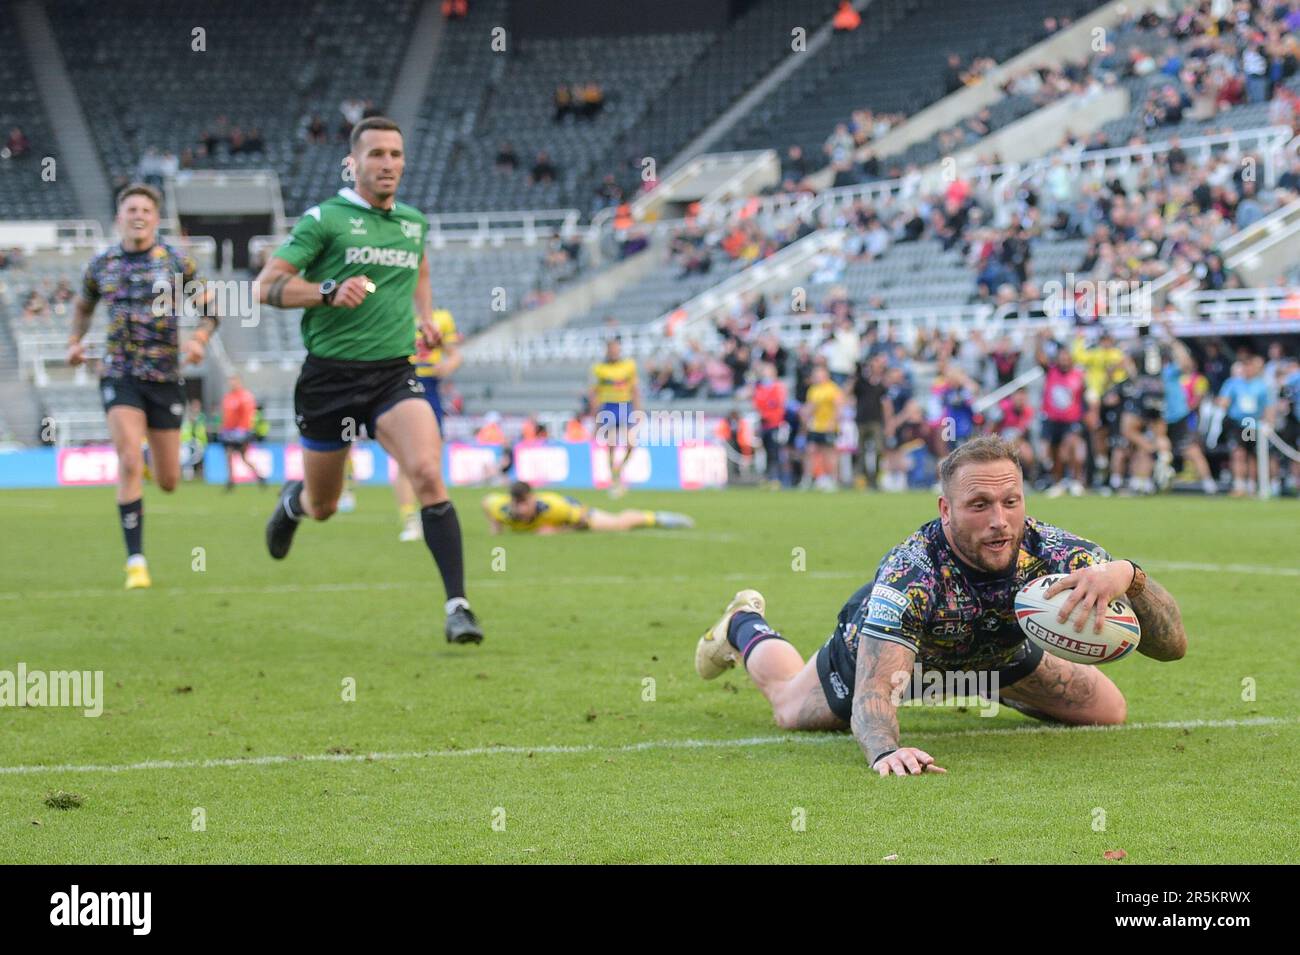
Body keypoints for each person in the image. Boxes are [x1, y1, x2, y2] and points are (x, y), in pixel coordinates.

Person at [692, 436, 1188, 776]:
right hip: (901, 660)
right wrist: (887, 750)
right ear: (945, 510)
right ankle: (744, 623)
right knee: (787, 706)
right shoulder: (911, 573)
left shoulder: (1060, 554)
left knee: (1109, 711)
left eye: (1011, 502)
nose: (1000, 521)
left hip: (995, 659)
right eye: (979, 505)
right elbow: (875, 693)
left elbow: (1173, 650)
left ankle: (986, 687)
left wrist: (1130, 576)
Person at [255, 116, 482, 644]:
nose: (387, 164)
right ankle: (295, 504)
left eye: (396, 154)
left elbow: (419, 270)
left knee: (427, 471)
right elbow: (266, 287)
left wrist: (425, 315)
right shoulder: (325, 220)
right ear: (352, 162)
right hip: (329, 380)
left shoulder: (412, 222)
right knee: (326, 506)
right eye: (376, 154)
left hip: (393, 375)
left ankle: (458, 607)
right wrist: (329, 289)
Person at [67, 184, 217, 590]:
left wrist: (199, 339)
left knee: (169, 481)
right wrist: (74, 341)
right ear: (119, 216)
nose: (138, 215)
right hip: (120, 374)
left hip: (165, 378)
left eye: (146, 210)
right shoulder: (101, 264)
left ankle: (151, 457)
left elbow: (210, 311)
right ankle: (136, 562)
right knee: (130, 461)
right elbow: (83, 306)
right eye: (131, 208)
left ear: (156, 217)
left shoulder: (177, 262)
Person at [397, 307, 461, 542]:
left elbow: (454, 354)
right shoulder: (394, 313)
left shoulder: (441, 317)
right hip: (401, 384)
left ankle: (435, 516)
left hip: (431, 388)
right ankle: (410, 519)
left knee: (433, 458)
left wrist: (447, 365)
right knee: (404, 460)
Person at [482, 481, 693, 534]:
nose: (520, 509)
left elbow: (581, 520)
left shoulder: (554, 508)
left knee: (617, 524)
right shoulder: (502, 510)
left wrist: (556, 530)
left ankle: (657, 517)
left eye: (524, 503)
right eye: (516, 504)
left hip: (575, 512)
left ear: (532, 498)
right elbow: (486, 501)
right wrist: (495, 528)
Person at [1036, 334, 1088, 497]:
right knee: (1053, 453)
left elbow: (1086, 397)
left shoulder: (1079, 375)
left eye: (1067, 357)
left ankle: (1076, 481)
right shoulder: (1051, 372)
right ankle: (1057, 482)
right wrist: (1041, 339)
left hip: (1071, 420)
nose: (1064, 360)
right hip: (1052, 420)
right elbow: (1040, 358)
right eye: (1062, 357)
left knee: (1070, 448)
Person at [1217, 352, 1275, 497]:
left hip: (1252, 424)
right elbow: (1223, 400)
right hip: (1236, 423)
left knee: (1251, 454)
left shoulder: (1261, 386)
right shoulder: (1233, 383)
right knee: (1238, 453)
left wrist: (1269, 423)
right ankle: (1239, 485)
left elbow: (1268, 407)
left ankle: (1251, 484)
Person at [589, 337, 640, 498]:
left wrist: (638, 410)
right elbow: (594, 393)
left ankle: (620, 469)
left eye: (616, 349)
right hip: (608, 407)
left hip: (625, 406)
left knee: (631, 444)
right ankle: (613, 478)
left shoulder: (629, 366)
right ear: (607, 350)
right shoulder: (599, 369)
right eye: (611, 349)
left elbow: (635, 389)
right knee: (611, 445)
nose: (613, 352)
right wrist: (595, 417)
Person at [219, 374, 266, 491]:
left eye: (234, 381)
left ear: (240, 382)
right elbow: (226, 416)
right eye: (230, 381)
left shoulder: (245, 397)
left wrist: (242, 430)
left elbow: (247, 415)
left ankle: (259, 476)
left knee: (243, 457)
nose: (232, 384)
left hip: (241, 432)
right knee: (229, 455)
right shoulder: (228, 397)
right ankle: (231, 480)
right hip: (228, 432)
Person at [802, 364, 844, 490]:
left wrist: (833, 422)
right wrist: (805, 416)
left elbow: (839, 408)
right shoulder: (813, 390)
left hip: (828, 427)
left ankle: (833, 479)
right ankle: (808, 478)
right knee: (810, 451)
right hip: (816, 426)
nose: (817, 377)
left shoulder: (833, 389)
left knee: (829, 454)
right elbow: (810, 406)